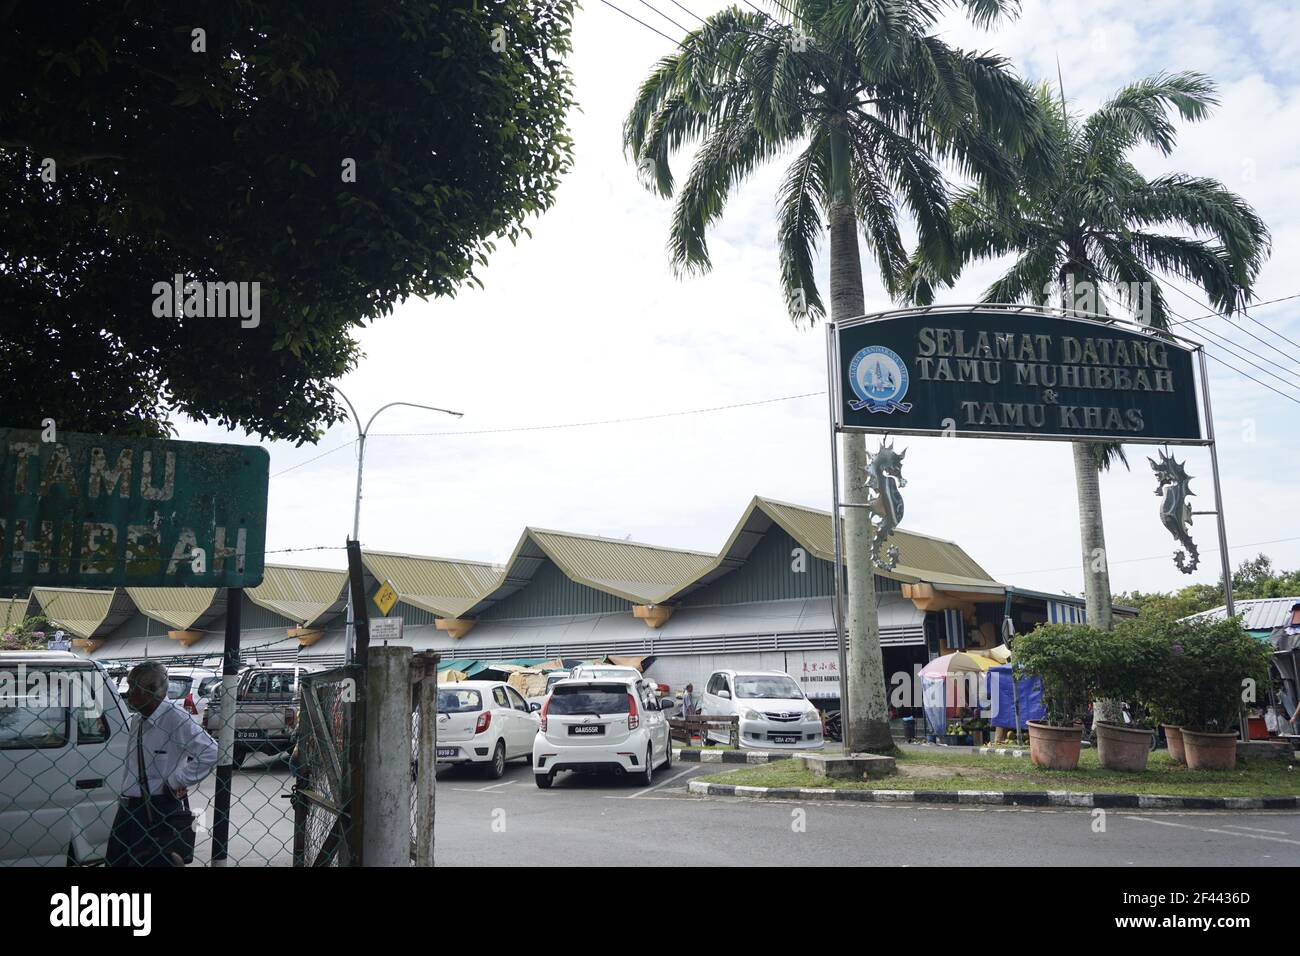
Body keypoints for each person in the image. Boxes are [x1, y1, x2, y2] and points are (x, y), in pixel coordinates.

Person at [107, 661, 218, 866]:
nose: (128, 693)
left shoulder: (176, 719)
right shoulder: (138, 720)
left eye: (133, 688)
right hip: (129, 809)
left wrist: (176, 780)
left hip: (157, 807)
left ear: (152, 691)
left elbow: (211, 751)